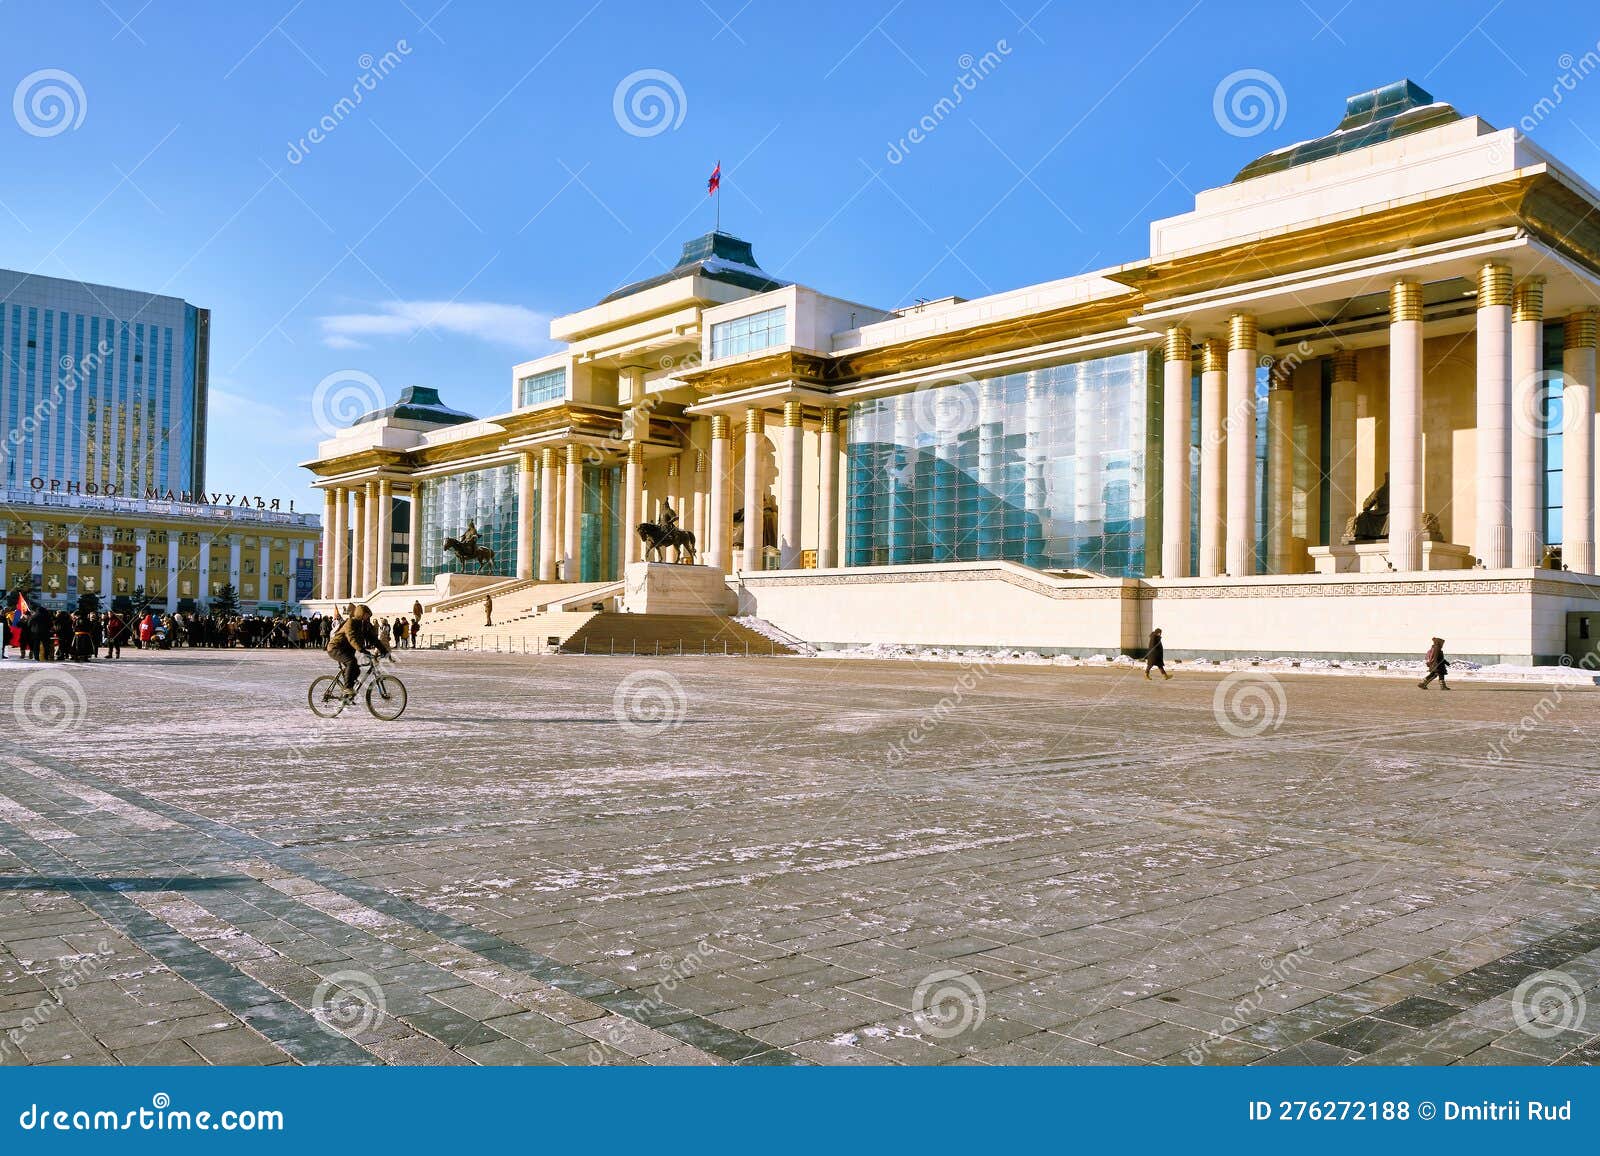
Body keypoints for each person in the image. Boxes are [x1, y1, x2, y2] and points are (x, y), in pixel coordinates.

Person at [326, 604, 390, 699]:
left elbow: (373, 639)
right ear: (361, 614)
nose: (367, 617)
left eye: (368, 616)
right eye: (366, 615)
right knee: (351, 662)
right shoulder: (350, 622)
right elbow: (351, 638)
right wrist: (361, 649)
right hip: (336, 648)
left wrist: (383, 650)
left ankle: (348, 694)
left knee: (356, 669)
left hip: (347, 650)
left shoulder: (363, 625)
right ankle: (347, 688)